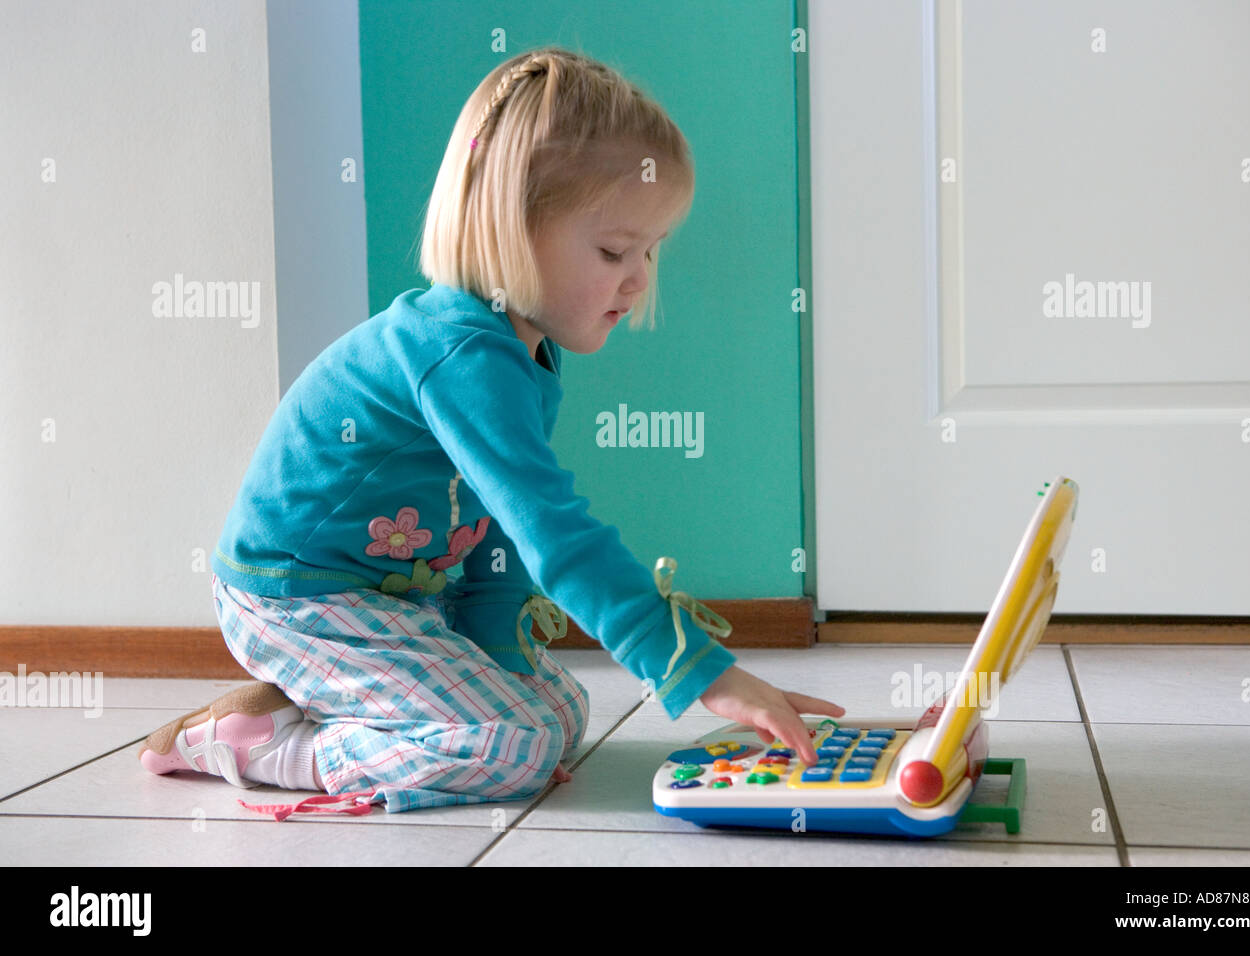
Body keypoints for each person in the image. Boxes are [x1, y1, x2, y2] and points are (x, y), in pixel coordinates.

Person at [139, 46, 843, 820]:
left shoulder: (522, 354)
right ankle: (265, 745)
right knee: (515, 742)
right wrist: (702, 673)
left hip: (385, 597)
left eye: (651, 249)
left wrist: (501, 658)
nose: (640, 277)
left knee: (560, 715)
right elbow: (554, 534)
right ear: (513, 229)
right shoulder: (463, 354)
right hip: (298, 595)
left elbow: (493, 535)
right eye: (614, 250)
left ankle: (328, 711)